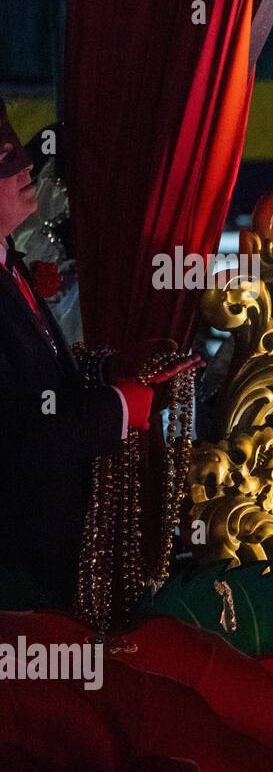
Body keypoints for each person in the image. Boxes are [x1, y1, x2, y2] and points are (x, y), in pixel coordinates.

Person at [0, 96, 183, 604]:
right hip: (19, 570)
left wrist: (111, 373)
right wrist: (121, 407)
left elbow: (40, 390)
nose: (26, 169)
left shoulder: (11, 265)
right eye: (4, 161)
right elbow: (22, 440)